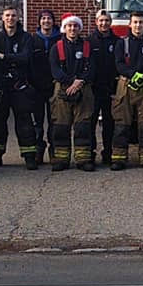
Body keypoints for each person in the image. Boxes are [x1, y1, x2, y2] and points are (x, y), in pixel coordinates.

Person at [0, 6, 39, 169]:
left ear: (18, 18)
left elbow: (25, 58)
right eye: (7, 15)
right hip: (1, 87)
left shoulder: (26, 38)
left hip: (20, 86)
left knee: (25, 123)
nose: (10, 18)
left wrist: (5, 57)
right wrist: (12, 59)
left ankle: (29, 156)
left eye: (13, 16)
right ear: (2, 18)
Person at [111, 12, 143, 170]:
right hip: (125, 85)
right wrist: (132, 74)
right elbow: (118, 64)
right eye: (135, 22)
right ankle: (119, 158)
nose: (138, 25)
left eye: (141, 22)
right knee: (122, 123)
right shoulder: (122, 43)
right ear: (130, 25)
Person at [48, 13, 94, 171]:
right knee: (61, 125)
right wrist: (70, 82)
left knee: (83, 125)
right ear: (64, 28)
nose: (72, 28)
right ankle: (61, 159)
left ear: (79, 28)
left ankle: (83, 159)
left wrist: (79, 82)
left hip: (83, 88)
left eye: (75, 26)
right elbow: (54, 70)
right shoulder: (56, 47)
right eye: (69, 26)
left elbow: (92, 68)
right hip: (62, 89)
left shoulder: (87, 46)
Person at [29, 9, 60, 164]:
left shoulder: (60, 39)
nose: (46, 21)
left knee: (54, 120)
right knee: (37, 122)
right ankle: (37, 151)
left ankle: (53, 150)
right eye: (43, 19)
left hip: (55, 86)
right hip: (36, 87)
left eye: (49, 18)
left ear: (53, 22)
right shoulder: (33, 40)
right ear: (39, 21)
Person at [88, 9, 118, 165]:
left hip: (111, 89)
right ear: (96, 22)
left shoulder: (117, 41)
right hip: (93, 89)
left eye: (106, 20)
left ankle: (108, 152)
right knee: (91, 122)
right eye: (101, 20)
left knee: (109, 123)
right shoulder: (89, 41)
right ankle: (90, 153)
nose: (104, 23)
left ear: (110, 23)